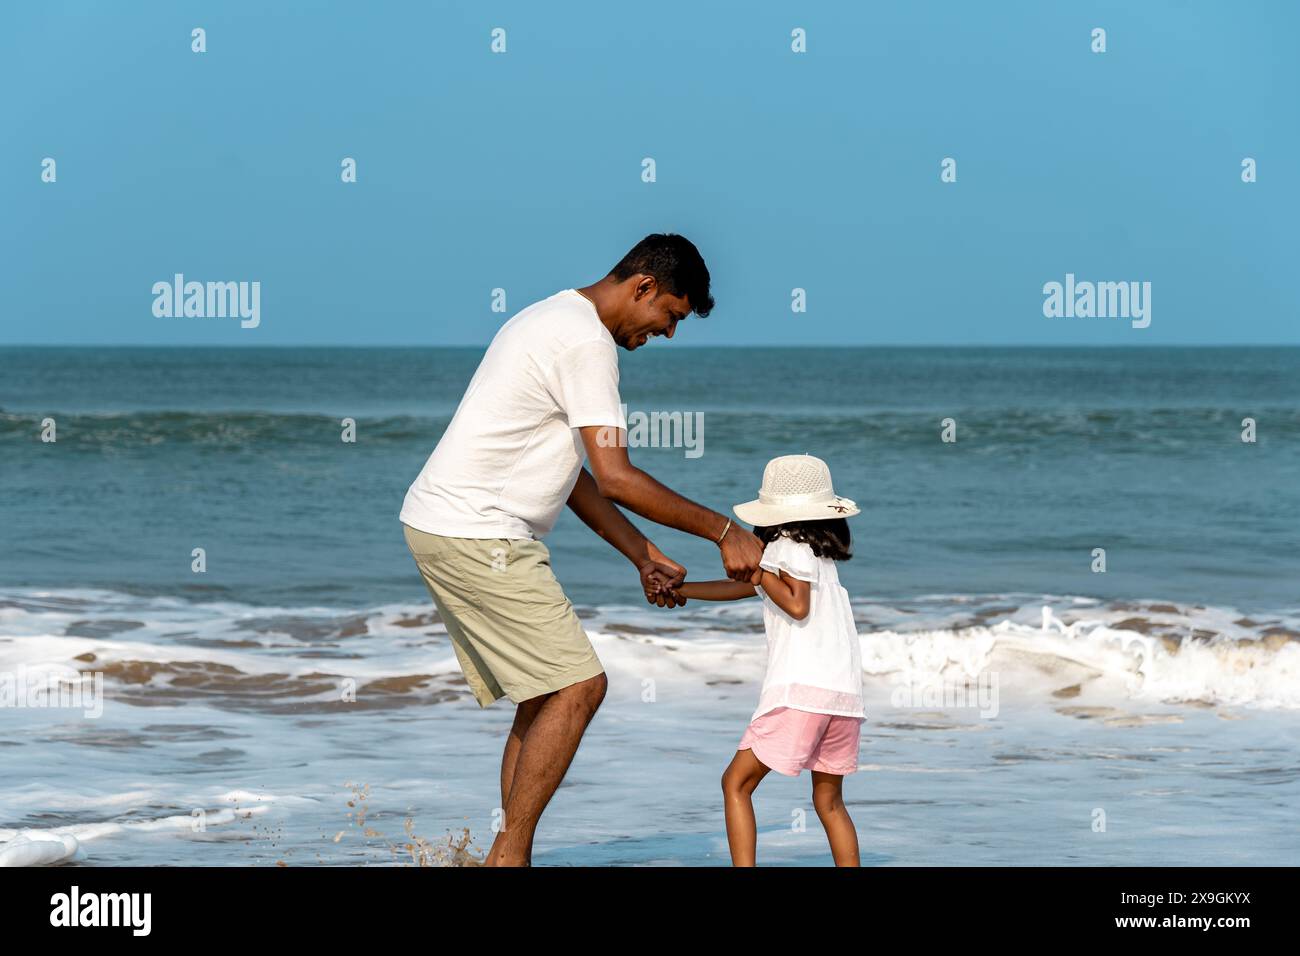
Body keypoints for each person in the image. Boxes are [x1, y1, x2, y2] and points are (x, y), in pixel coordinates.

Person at [399, 233, 765, 866]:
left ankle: (508, 852)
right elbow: (618, 475)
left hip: (448, 525)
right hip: (478, 531)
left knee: (546, 695)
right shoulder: (586, 342)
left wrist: (639, 552)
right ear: (643, 286)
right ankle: (508, 857)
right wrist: (726, 531)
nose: (668, 333)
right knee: (579, 687)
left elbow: (577, 479)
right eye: (670, 316)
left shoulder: (554, 316)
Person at [669, 454, 865, 866]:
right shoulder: (817, 558)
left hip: (799, 693)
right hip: (843, 698)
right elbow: (746, 588)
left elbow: (795, 605)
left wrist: (758, 572)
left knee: (735, 784)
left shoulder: (785, 545)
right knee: (829, 802)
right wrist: (685, 591)